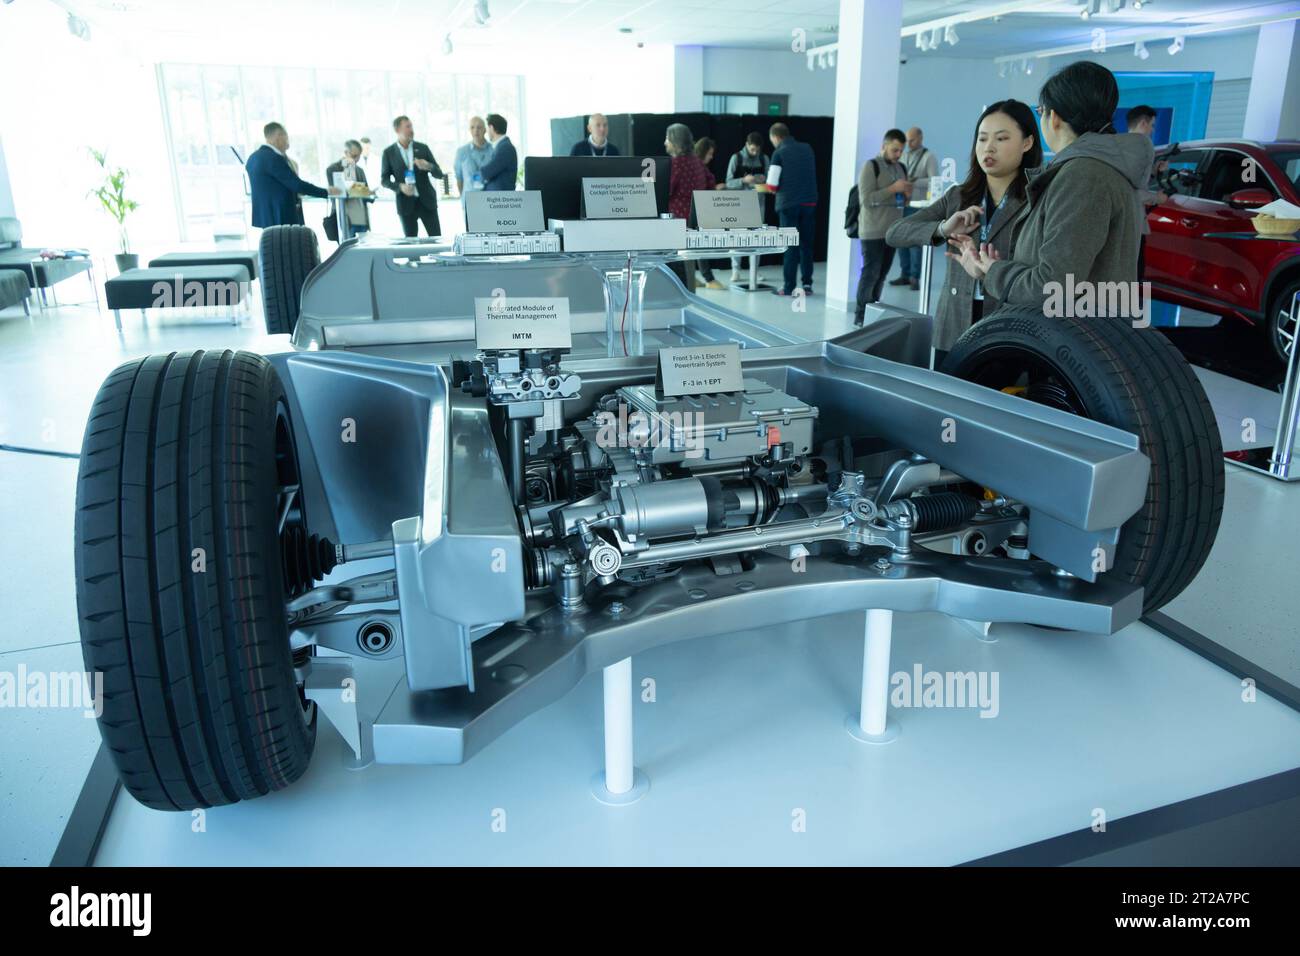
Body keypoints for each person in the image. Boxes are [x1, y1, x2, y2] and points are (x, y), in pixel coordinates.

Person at [947, 61, 1153, 315]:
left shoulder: (1083, 176)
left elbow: (1051, 287)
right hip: (1086, 334)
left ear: (1053, 117)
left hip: (1071, 339)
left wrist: (992, 271)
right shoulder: (1102, 169)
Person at [886, 101, 1041, 355]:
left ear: (1027, 143)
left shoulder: (1038, 200)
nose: (988, 147)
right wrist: (943, 229)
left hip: (1009, 325)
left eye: (1001, 138)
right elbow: (895, 233)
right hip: (954, 325)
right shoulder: (959, 196)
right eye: (982, 139)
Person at [853, 129, 909, 324]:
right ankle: (861, 315)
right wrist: (893, 189)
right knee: (871, 273)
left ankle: (873, 313)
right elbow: (867, 199)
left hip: (892, 231)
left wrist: (906, 193)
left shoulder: (901, 167)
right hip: (872, 230)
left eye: (901, 150)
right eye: (895, 150)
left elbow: (902, 200)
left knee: (882, 275)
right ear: (884, 146)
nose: (898, 154)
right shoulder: (871, 166)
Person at [246, 122, 336, 228]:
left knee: (271, 244)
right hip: (280, 216)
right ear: (278, 136)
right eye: (286, 138)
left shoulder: (253, 158)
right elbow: (296, 184)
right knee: (285, 244)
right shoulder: (273, 158)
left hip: (266, 217)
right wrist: (326, 192)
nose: (287, 142)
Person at [767, 122, 818, 297]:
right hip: (809, 203)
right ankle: (807, 285)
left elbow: (772, 185)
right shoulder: (807, 148)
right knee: (806, 246)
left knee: (790, 246)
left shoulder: (778, 153)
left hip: (788, 205)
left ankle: (789, 287)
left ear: (776, 137)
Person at [664, 123, 715, 288]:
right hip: (696, 219)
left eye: (667, 139)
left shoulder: (675, 164)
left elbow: (666, 191)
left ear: (675, 142)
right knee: (689, 265)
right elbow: (711, 182)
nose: (665, 143)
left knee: (677, 272)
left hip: (676, 222)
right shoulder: (697, 162)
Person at [889, 126, 939, 291]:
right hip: (902, 203)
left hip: (918, 205)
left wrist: (914, 182)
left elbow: (934, 181)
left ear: (921, 138)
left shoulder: (929, 157)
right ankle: (905, 273)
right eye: (907, 140)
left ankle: (915, 277)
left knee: (915, 242)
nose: (909, 143)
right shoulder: (902, 155)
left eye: (912, 140)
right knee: (901, 240)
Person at [381, 115, 445, 238]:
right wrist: (400, 186)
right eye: (408, 126)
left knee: (436, 239)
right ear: (397, 130)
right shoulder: (389, 153)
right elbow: (384, 180)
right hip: (405, 204)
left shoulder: (423, 148)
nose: (411, 130)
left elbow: (439, 174)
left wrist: (429, 166)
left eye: (411, 126)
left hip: (427, 201)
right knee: (410, 243)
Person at [1126, 104, 1167, 280]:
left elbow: (1132, 179)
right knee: (1133, 274)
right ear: (1143, 123)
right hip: (1132, 224)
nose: (1152, 130)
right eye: (1152, 125)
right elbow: (1129, 190)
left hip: (1123, 222)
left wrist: (1153, 171)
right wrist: (1156, 197)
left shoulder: (1119, 146)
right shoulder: (1143, 147)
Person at [723, 132, 770, 281]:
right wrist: (743, 180)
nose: (755, 153)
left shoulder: (764, 159)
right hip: (739, 204)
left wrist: (761, 182)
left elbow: (769, 186)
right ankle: (735, 270)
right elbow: (728, 183)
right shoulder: (735, 158)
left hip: (758, 204)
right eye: (752, 150)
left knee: (757, 239)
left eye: (757, 150)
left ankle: (754, 271)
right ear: (747, 145)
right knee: (736, 238)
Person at [693, 137, 726, 290]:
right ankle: (709, 279)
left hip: (697, 208)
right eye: (710, 153)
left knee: (695, 246)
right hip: (695, 209)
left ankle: (694, 277)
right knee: (699, 245)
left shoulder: (697, 166)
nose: (711, 157)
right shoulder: (697, 166)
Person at [324, 139, 372, 241]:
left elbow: (366, 191)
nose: (356, 159)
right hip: (343, 216)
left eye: (358, 156)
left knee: (363, 249)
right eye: (354, 156)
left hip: (360, 217)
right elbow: (341, 191)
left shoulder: (360, 170)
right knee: (346, 249)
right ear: (346, 152)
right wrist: (348, 167)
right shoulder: (332, 169)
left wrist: (368, 192)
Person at [454, 116, 493, 205]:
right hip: (469, 200)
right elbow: (459, 179)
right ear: (469, 130)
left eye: (479, 127)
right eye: (472, 127)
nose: (476, 130)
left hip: (489, 201)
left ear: (485, 130)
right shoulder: (462, 152)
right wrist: (464, 198)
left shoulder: (493, 150)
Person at [480, 113, 518, 191]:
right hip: (499, 198)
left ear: (491, 127)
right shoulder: (502, 146)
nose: (486, 132)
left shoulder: (506, 148)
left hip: (501, 199)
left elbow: (487, 172)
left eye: (487, 128)